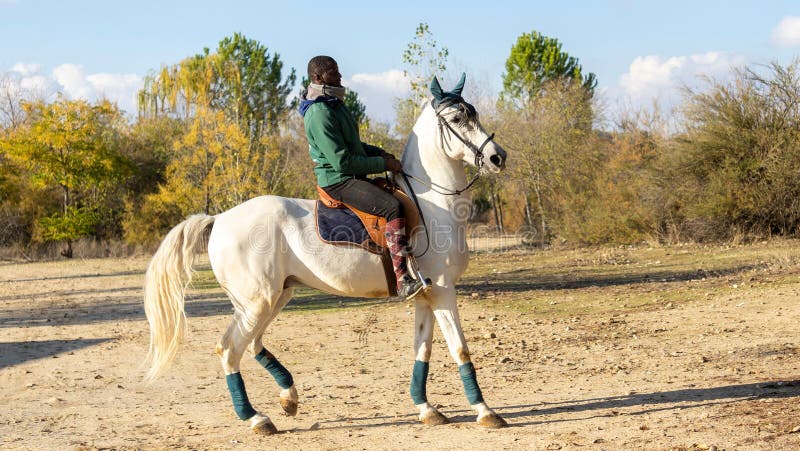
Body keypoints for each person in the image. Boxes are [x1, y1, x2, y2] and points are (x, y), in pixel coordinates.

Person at [299, 55, 426, 300]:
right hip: (338, 181)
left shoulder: (335, 104)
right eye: (333, 72)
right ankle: (402, 281)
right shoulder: (319, 113)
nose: (340, 76)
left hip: (349, 173)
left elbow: (354, 146)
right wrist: (381, 163)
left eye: (338, 70)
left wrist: (379, 152)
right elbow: (342, 162)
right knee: (392, 207)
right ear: (317, 77)